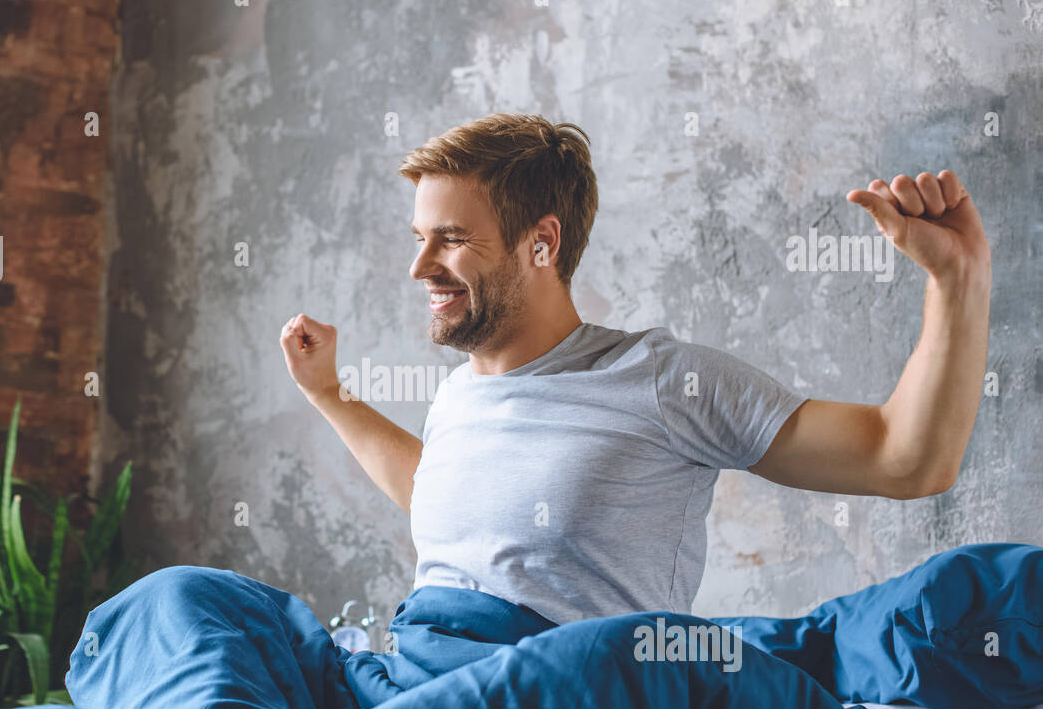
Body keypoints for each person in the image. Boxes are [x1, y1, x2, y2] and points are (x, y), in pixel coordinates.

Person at [279, 113, 991, 625]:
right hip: (420, 676)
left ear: (541, 242)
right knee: (212, 606)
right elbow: (441, 494)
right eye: (419, 238)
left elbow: (905, 459)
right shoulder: (457, 397)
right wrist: (330, 395)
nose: (419, 266)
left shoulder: (661, 381)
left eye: (451, 239)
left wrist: (957, 280)